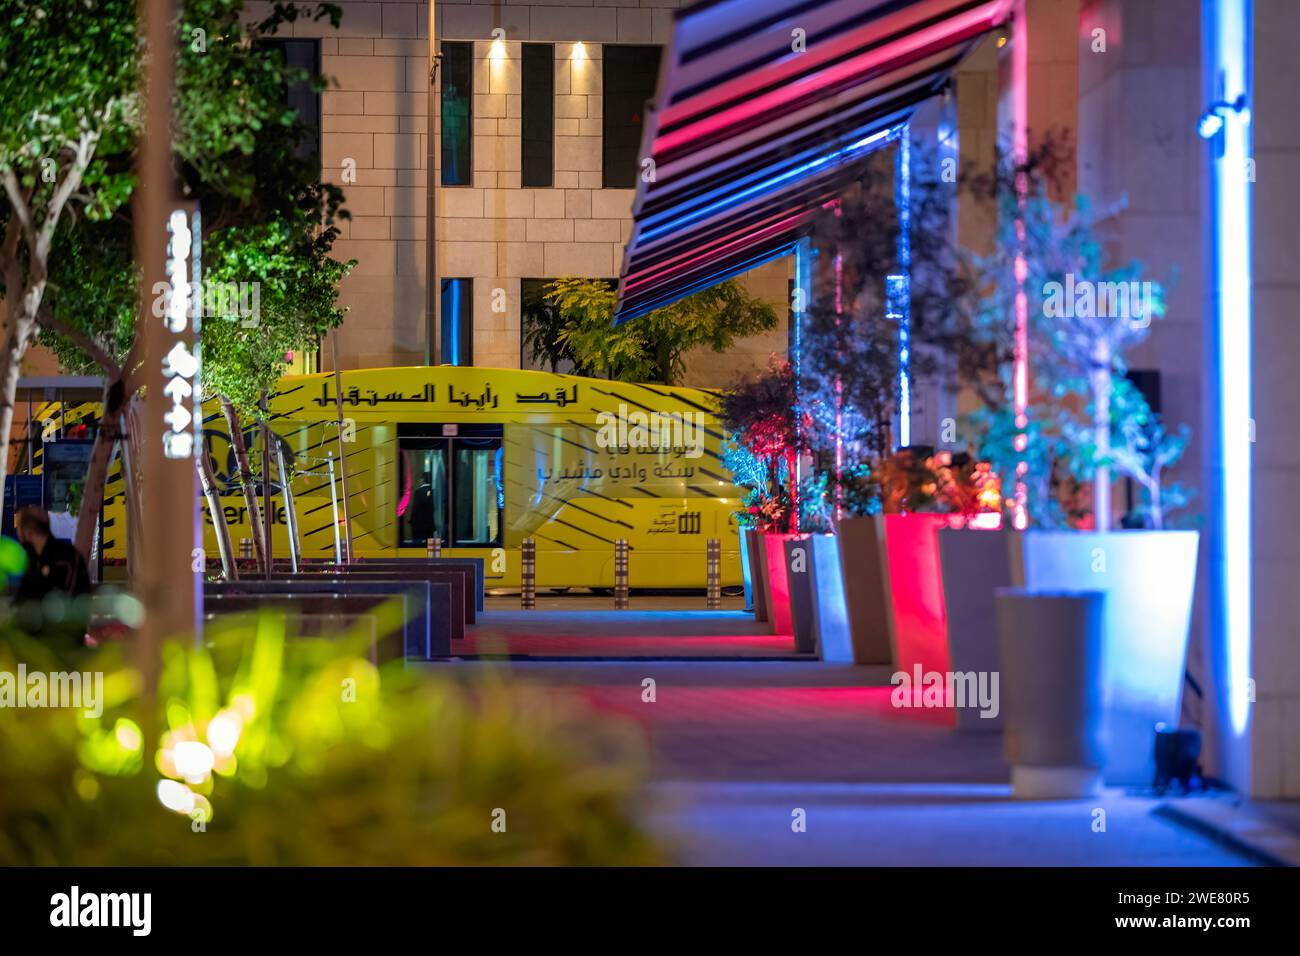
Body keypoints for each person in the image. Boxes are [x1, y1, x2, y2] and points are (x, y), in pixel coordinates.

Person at [13, 505, 91, 604]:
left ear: (29, 531)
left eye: (19, 528)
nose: (18, 533)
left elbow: (62, 598)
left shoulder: (64, 557)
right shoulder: (34, 558)